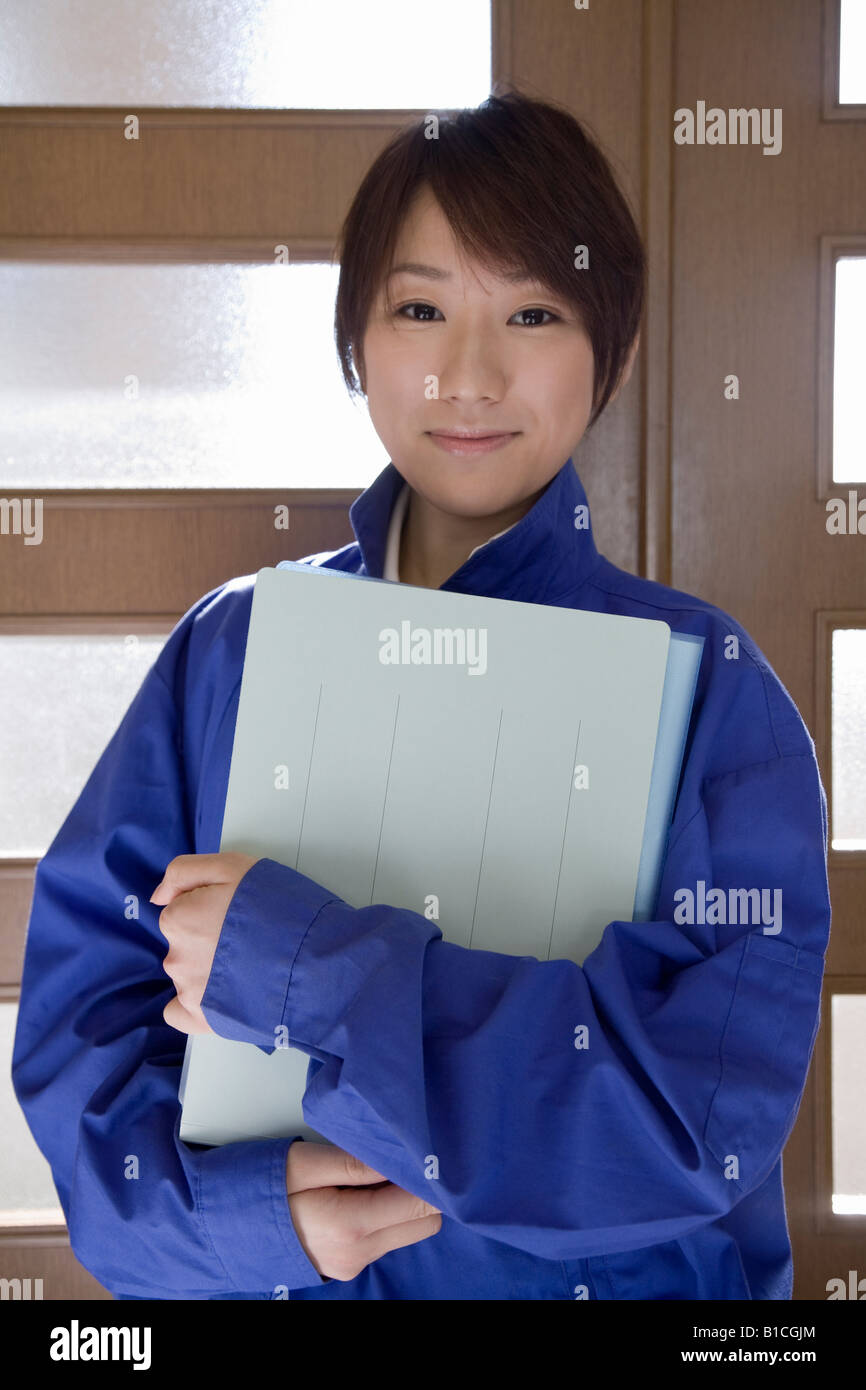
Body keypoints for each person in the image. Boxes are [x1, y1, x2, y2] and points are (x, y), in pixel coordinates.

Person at [12, 88, 831, 1301]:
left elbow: (687, 1124)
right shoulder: (229, 650)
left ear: (612, 351)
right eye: (419, 308)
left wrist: (308, 968)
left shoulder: (709, 694)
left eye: (532, 312)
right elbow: (81, 1053)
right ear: (357, 338)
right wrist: (252, 1221)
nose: (467, 373)